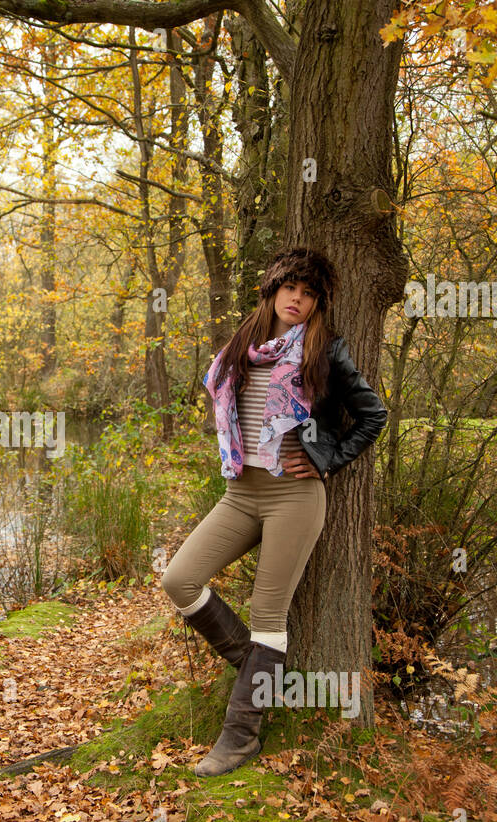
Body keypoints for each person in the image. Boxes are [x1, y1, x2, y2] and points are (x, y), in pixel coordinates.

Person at [160, 246, 388, 776]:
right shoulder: (242, 346)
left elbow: (374, 414)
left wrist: (327, 460)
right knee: (178, 580)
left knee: (268, 617)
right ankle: (260, 675)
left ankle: (240, 737)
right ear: (273, 289)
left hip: (294, 496)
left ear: (317, 303)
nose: (299, 300)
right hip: (241, 493)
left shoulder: (325, 349)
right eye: (292, 288)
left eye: (309, 294)